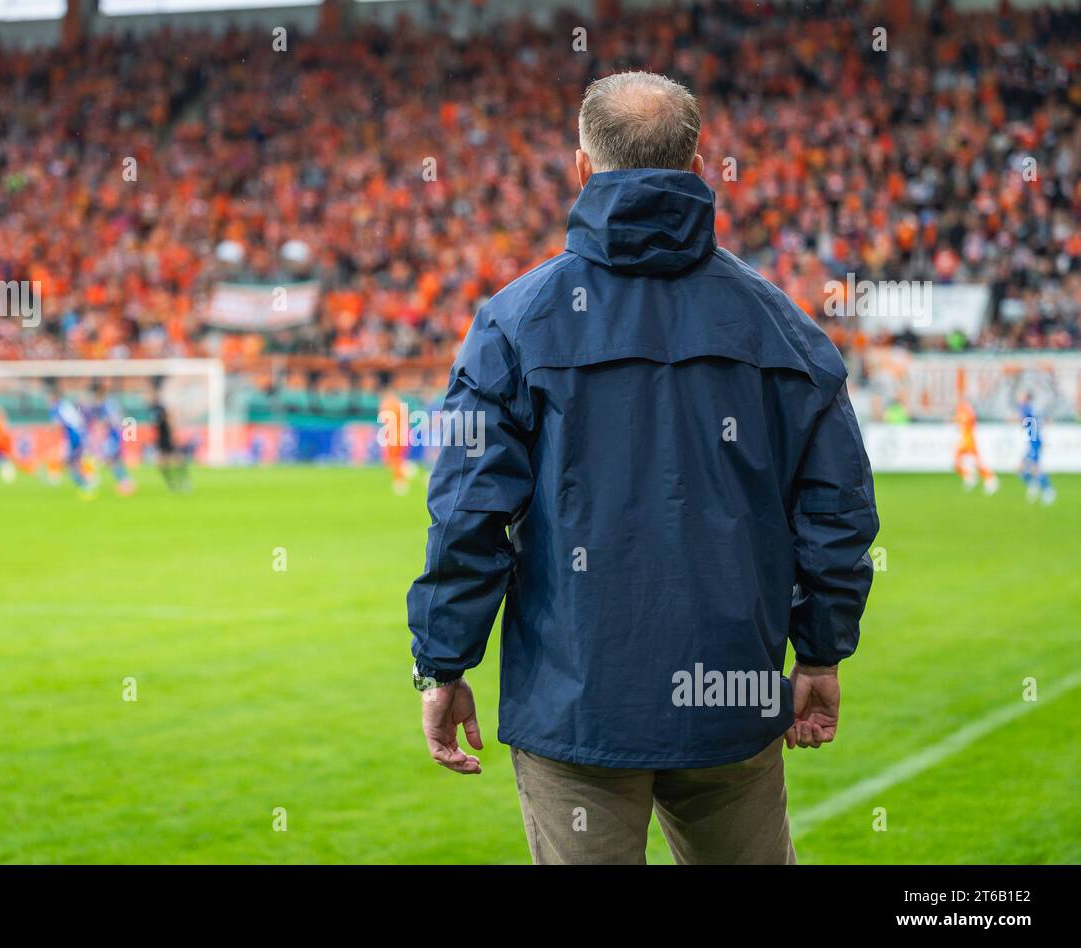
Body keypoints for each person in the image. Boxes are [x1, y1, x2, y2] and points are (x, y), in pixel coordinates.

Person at [407, 72, 880, 865]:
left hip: (578, 706)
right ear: (699, 163)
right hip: (731, 699)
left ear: (583, 169)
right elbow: (837, 509)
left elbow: (467, 512)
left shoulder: (514, 321)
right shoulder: (779, 324)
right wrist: (822, 651)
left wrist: (443, 662)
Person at [954, 396, 998, 495]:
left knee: (976, 463)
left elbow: (969, 421)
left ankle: (990, 479)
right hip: (964, 440)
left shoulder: (968, 412)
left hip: (969, 441)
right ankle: (971, 477)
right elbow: (960, 423)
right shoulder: (961, 411)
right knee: (958, 461)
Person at [1018, 392, 1055, 505]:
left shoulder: (1027, 408)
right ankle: (1034, 485)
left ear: (1027, 398)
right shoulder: (1034, 408)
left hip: (1034, 442)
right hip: (1033, 441)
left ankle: (1048, 491)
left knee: (1035, 468)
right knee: (1021, 469)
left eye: (1022, 397)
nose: (1020, 399)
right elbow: (1044, 419)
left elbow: (1024, 419)